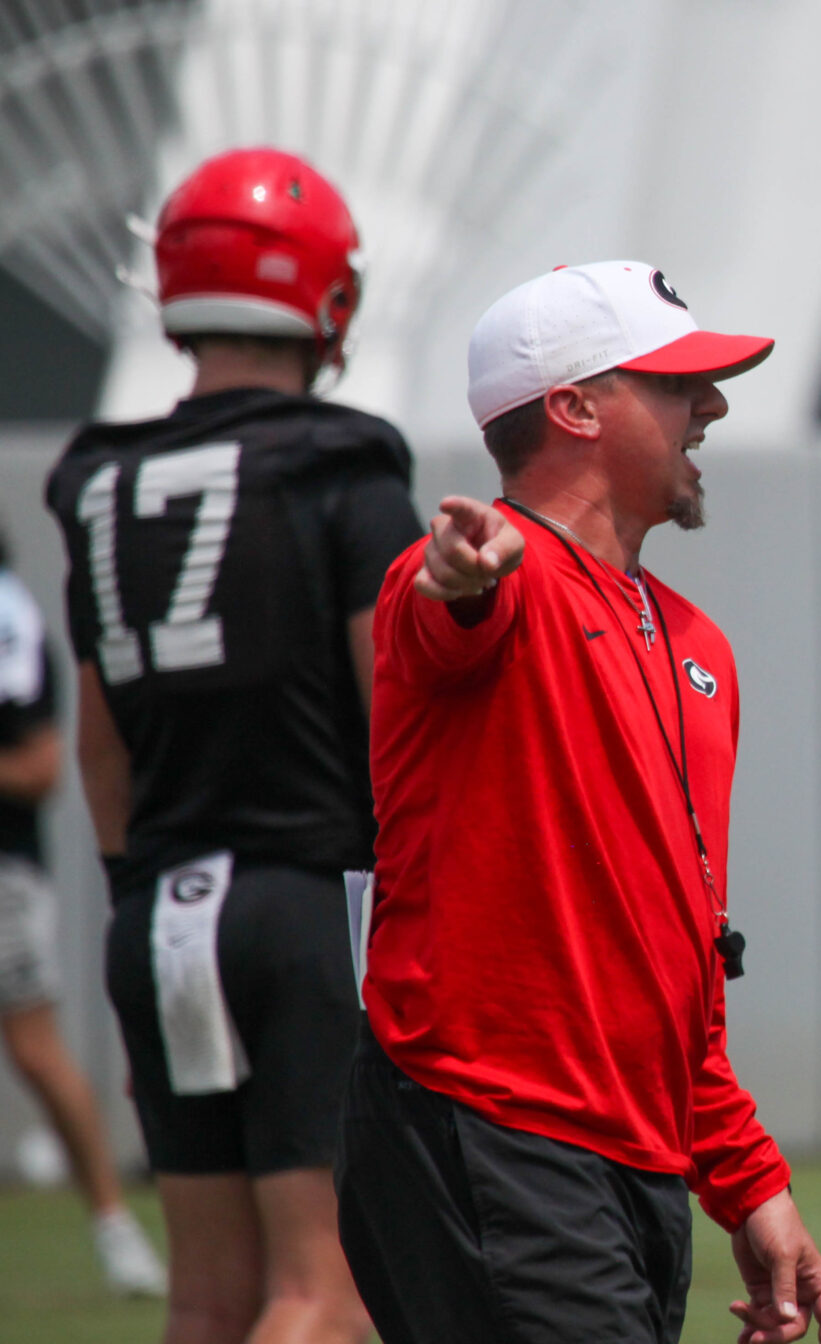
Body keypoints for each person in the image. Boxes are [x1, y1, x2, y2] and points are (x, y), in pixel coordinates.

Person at [339, 260, 821, 1344]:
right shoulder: (492, 581)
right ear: (572, 407)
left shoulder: (697, 643)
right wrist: (455, 579)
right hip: (492, 1122)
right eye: (674, 385)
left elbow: (677, 950)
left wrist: (747, 1180)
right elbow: (441, 610)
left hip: (633, 1155)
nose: (710, 406)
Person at [43, 147, 415, 1344]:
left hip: (158, 909)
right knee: (327, 1293)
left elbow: (102, 748)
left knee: (207, 1296)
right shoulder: (345, 463)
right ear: (324, 297)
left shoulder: (100, 480)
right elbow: (394, 708)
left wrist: (138, 886)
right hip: (303, 902)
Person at [0, 527, 168, 1299]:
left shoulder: (9, 614)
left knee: (36, 1050)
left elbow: (38, 767)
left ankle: (114, 1225)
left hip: (5, 871)